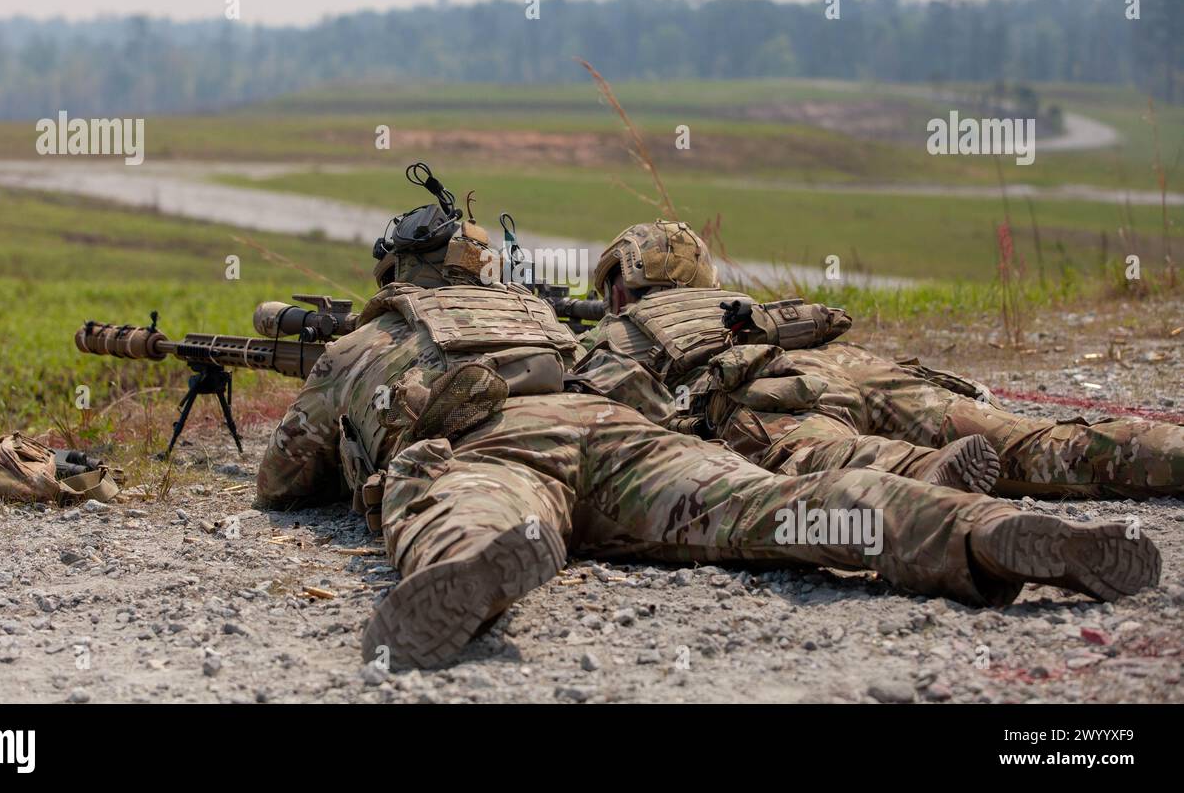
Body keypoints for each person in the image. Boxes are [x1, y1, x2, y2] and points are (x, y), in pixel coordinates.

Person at [255, 170, 1161, 669]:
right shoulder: (535, 320)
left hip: (491, 451)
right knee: (779, 508)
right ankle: (979, 527)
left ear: (393, 277)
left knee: (462, 503)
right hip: (614, 437)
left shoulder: (361, 345)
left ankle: (485, 561)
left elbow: (285, 480)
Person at [584, 220, 1184, 500]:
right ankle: (1161, 449)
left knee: (835, 459)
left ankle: (928, 476)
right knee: (1031, 438)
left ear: (618, 285)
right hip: (848, 364)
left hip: (774, 388)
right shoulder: (747, 307)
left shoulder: (620, 329)